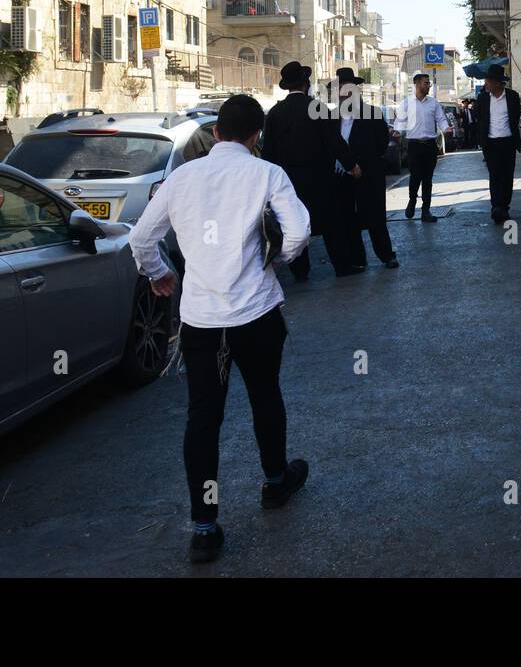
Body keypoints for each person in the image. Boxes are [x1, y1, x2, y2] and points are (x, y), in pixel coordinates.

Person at [128, 95, 312, 565]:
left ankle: (204, 527)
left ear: (215, 133)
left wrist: (158, 273)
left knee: (203, 418)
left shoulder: (181, 178)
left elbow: (141, 237)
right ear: (257, 136)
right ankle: (275, 482)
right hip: (256, 312)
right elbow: (298, 231)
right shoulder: (267, 172)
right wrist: (276, 261)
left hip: (202, 320)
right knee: (265, 396)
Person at [262, 61, 360, 279]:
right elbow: (334, 142)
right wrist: (351, 164)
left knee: (294, 222)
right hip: (320, 177)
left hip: (288, 181)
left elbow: (268, 151)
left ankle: (300, 271)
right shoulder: (318, 109)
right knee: (332, 224)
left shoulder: (275, 113)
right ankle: (342, 267)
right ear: (306, 84)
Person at [334, 67, 399, 270]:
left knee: (375, 217)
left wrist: (361, 163)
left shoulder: (372, 113)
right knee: (347, 218)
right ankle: (357, 260)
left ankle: (386, 255)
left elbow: (381, 144)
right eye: (341, 89)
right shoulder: (331, 116)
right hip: (341, 175)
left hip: (368, 173)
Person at [395, 72, 451, 222]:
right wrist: (397, 132)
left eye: (429, 83)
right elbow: (400, 121)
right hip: (414, 146)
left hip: (430, 146)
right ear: (418, 84)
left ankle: (426, 210)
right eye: (426, 83)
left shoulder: (433, 103)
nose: (429, 86)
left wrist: (446, 128)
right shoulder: (406, 103)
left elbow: (441, 119)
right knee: (415, 176)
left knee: (428, 179)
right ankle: (412, 200)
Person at [475, 64, 521, 225]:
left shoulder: (512, 96)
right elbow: (479, 119)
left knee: (507, 176)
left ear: (497, 82)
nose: (485, 84)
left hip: (508, 142)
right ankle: (496, 208)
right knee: (494, 175)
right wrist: (482, 140)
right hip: (491, 143)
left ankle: (504, 207)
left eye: (487, 80)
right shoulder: (482, 98)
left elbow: (515, 117)